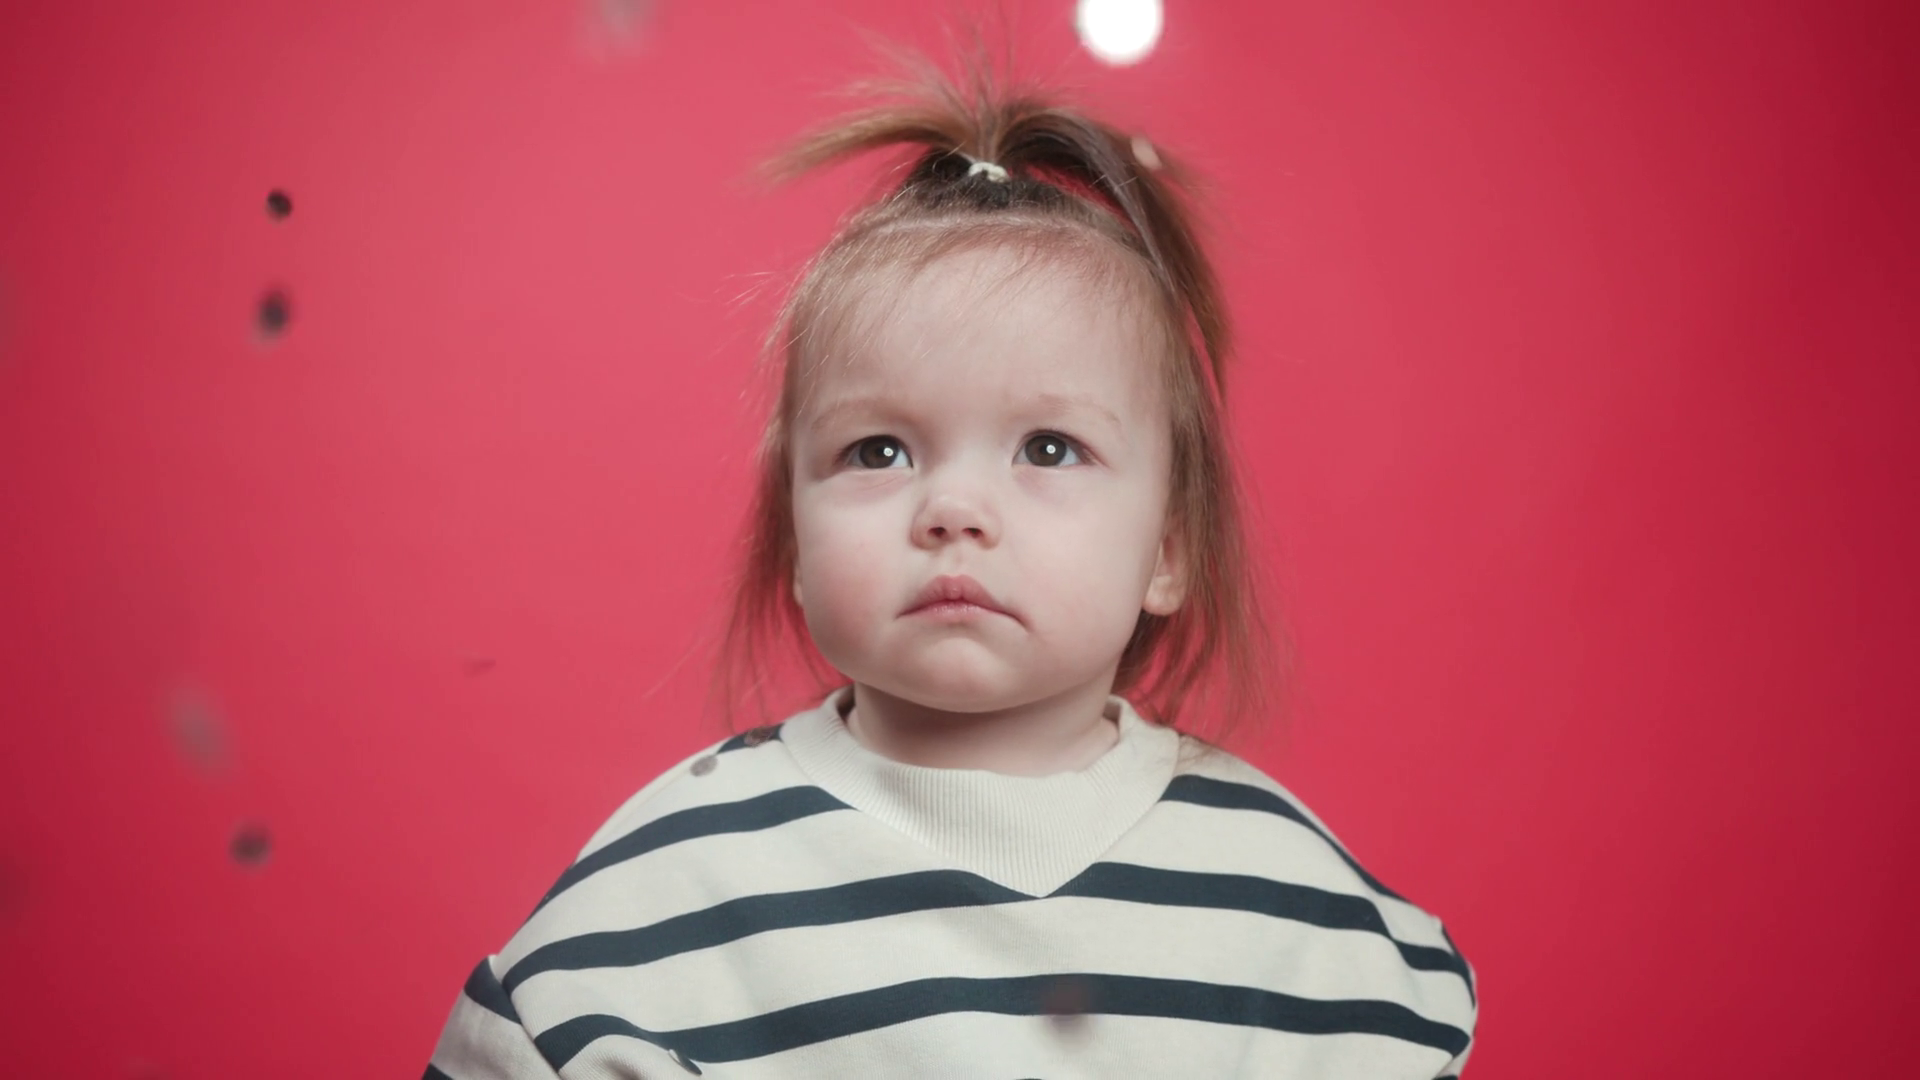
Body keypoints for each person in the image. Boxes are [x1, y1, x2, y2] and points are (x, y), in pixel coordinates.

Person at [424, 48, 1477, 1080]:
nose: (954, 511)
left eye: (1048, 449)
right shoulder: (664, 903)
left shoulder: (1292, 915)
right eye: (877, 451)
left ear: (1169, 549)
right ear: (791, 544)